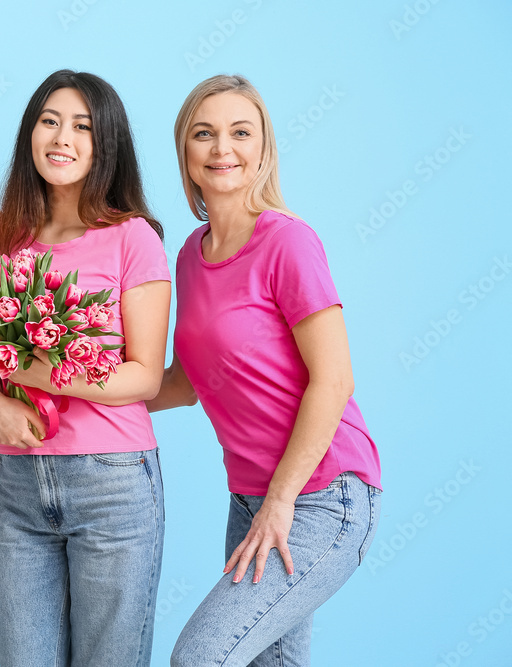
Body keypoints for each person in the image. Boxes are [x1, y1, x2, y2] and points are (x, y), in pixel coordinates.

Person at [148, 74, 382, 667]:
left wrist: (283, 500)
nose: (222, 148)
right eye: (204, 134)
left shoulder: (289, 242)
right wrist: (77, 388)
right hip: (249, 500)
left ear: (262, 149)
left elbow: (334, 380)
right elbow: (186, 381)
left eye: (239, 132)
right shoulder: (191, 257)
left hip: (321, 495)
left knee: (200, 657)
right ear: (187, 153)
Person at [0, 70, 171, 667]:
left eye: (82, 126)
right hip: (19, 486)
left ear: (106, 142)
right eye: (50, 121)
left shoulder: (133, 238)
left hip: (112, 483)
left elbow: (145, 376)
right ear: (31, 132)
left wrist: (37, 373)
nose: (63, 137)